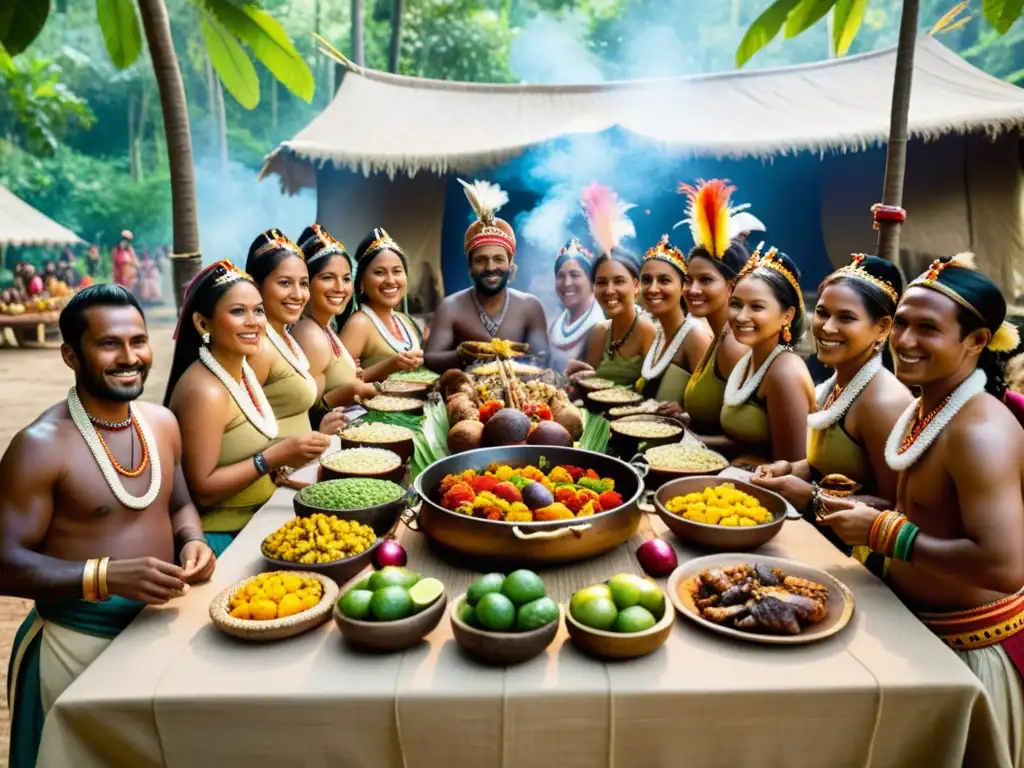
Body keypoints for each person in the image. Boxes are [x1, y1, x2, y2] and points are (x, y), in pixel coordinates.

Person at [818, 253, 1024, 765]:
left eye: (928, 328)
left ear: (977, 342)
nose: (905, 341)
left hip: (970, 655)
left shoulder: (979, 432)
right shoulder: (926, 407)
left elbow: (1005, 565)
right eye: (903, 324)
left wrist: (886, 533)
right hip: (918, 632)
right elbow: (923, 510)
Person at [1, 285, 215, 768]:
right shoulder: (40, 446)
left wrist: (193, 540)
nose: (130, 357)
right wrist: (104, 575)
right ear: (70, 356)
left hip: (160, 634)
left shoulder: (161, 422)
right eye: (109, 344)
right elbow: (4, 562)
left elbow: (179, 504)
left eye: (138, 341)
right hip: (77, 644)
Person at [752, 255, 913, 562]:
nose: (827, 327)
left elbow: (899, 508)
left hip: (863, 563)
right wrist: (789, 468)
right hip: (823, 541)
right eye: (823, 313)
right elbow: (837, 465)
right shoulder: (836, 385)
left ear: (882, 328)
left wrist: (813, 498)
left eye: (846, 318)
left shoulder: (882, 402)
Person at [164, 261, 330, 556]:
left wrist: (279, 466)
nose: (254, 322)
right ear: (204, 324)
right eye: (238, 311)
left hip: (258, 520)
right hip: (222, 539)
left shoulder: (241, 372)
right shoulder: (206, 390)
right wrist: (271, 458)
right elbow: (200, 489)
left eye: (259, 310)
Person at [424, 179, 549, 372]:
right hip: (464, 394)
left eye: (499, 259)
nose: (491, 267)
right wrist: (464, 354)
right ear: (470, 268)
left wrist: (505, 360)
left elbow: (541, 359)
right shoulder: (450, 307)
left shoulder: (530, 307)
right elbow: (431, 358)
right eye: (481, 260)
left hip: (520, 395)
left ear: (511, 267)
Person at [664, 180, 754, 438]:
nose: (692, 290)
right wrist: (683, 416)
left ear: (732, 285)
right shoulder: (718, 337)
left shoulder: (733, 345)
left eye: (705, 280)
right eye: (688, 280)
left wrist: (686, 434)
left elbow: (752, 437)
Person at [720, 244, 816, 467]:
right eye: (735, 304)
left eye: (757, 307)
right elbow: (745, 444)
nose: (742, 316)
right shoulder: (752, 359)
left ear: (787, 316)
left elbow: (789, 470)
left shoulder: (784, 373)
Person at [244, 229, 339, 440]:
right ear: (257, 287)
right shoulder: (260, 348)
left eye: (303, 284)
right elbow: (240, 436)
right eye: (285, 283)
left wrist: (317, 431)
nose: (298, 295)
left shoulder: (284, 337)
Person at [566, 183, 657, 387]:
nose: (609, 290)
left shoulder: (646, 330)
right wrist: (576, 375)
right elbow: (588, 387)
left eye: (619, 281)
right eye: (601, 282)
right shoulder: (600, 332)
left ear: (636, 286)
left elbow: (654, 395)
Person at [291, 225, 377, 431]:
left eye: (346, 278)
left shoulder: (325, 326)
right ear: (306, 282)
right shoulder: (310, 333)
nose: (340, 288)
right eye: (328, 277)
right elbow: (305, 412)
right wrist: (347, 391)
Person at [340, 228, 425, 383]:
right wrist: (390, 365)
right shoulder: (359, 324)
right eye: (380, 273)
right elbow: (338, 385)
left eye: (397, 271)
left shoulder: (405, 321)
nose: (391, 280)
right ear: (361, 283)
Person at [638, 234, 712, 402]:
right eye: (647, 280)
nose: (653, 288)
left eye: (664, 281)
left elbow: (709, 408)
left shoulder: (695, 336)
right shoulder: (659, 332)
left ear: (683, 287)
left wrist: (685, 415)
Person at [548, 238, 603, 375]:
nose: (567, 283)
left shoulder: (601, 326)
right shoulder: (559, 321)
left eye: (575, 275)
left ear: (592, 281)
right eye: (560, 276)